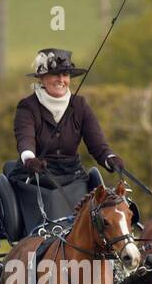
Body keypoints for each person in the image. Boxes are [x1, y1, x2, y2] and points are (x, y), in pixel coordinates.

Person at [8, 48, 125, 189]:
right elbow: (25, 138)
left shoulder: (80, 105)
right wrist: (29, 158)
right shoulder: (27, 106)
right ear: (42, 78)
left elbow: (97, 143)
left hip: (74, 177)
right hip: (37, 177)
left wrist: (109, 158)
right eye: (55, 75)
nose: (61, 80)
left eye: (65, 75)